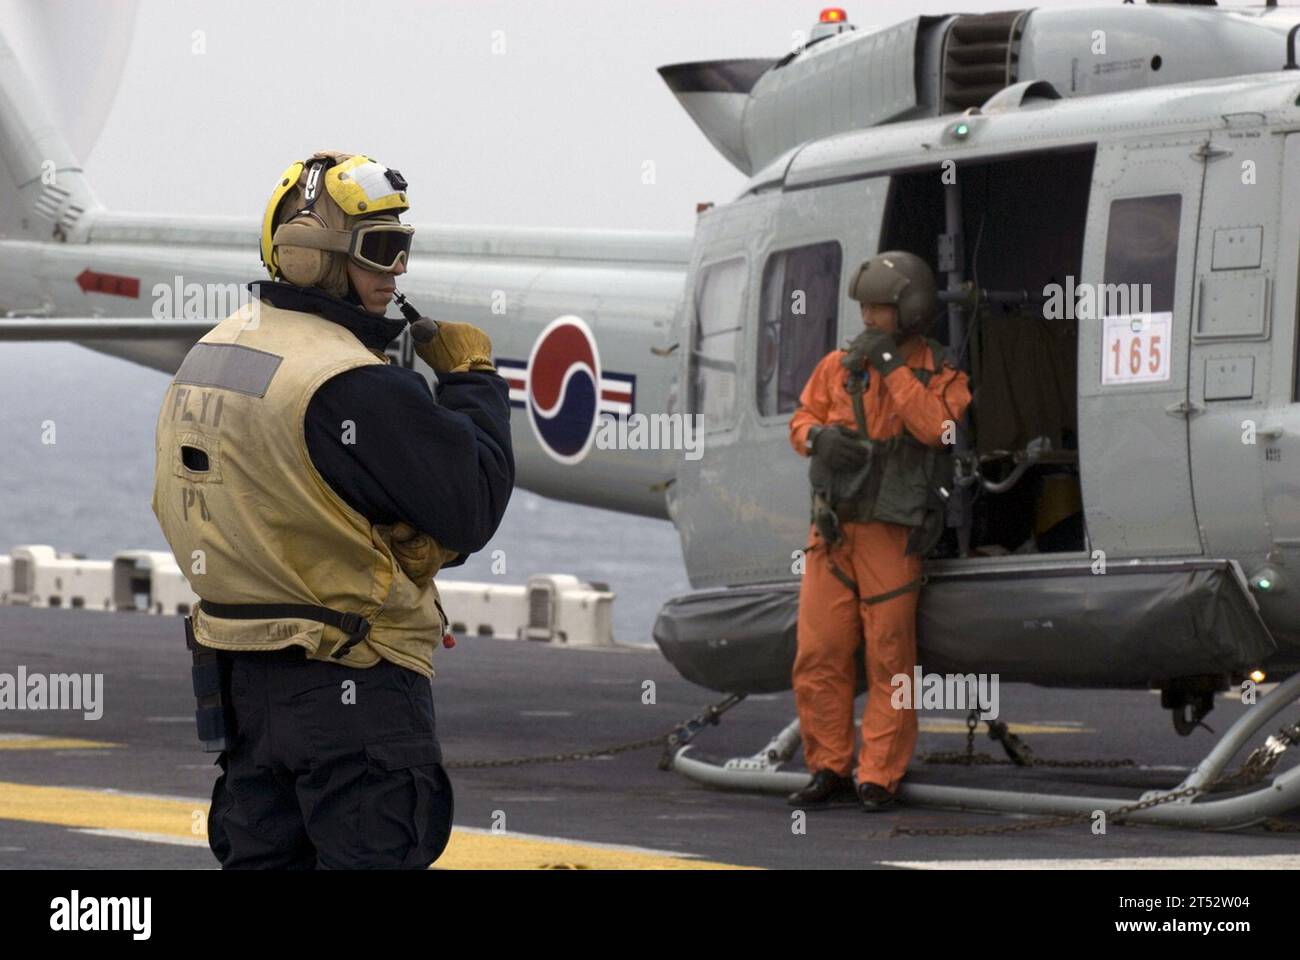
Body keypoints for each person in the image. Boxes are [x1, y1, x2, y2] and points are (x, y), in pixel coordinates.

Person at [150, 150, 514, 867]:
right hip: (356, 688)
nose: (396, 273)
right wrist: (473, 384)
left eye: (402, 248)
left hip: (243, 688)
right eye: (380, 250)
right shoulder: (350, 381)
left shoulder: (212, 353)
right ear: (311, 257)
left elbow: (195, 501)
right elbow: (472, 507)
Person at [786, 250, 971, 811]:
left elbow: (935, 429)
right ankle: (828, 767)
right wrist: (818, 440)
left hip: (893, 537)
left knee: (891, 660)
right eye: (864, 307)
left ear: (908, 312)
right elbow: (801, 420)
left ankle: (878, 776)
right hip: (834, 535)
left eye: (879, 309)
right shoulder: (836, 367)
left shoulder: (942, 374)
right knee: (819, 654)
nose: (867, 318)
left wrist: (891, 367)